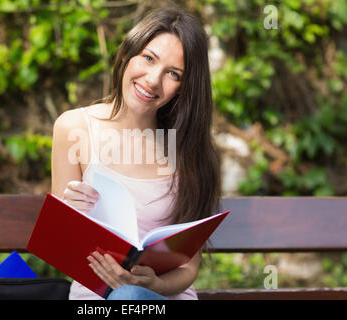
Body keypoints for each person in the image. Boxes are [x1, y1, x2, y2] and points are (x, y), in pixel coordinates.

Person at [51, 6, 221, 300]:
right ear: (127, 54)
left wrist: (152, 285)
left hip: (163, 298)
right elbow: (59, 245)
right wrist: (71, 216)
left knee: (130, 298)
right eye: (148, 58)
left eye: (173, 74)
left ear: (183, 88)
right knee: (124, 298)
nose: (153, 80)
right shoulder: (74, 127)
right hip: (96, 298)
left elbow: (187, 269)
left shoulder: (189, 150)